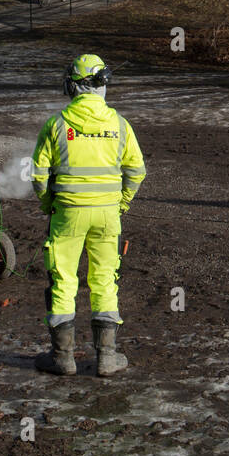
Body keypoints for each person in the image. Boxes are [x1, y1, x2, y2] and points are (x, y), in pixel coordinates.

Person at [30, 54, 146, 377]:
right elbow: (137, 170)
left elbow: (38, 175)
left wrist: (47, 202)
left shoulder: (55, 125)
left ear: (74, 87)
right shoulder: (120, 125)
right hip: (108, 216)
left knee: (63, 279)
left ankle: (62, 357)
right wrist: (121, 202)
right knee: (104, 280)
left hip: (67, 213)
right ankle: (107, 356)